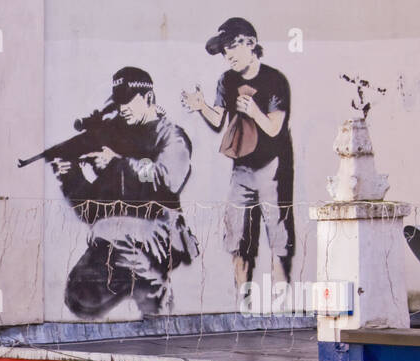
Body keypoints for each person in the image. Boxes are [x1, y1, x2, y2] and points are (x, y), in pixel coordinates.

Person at [50, 66, 199, 318]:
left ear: (149, 98)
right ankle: (140, 282)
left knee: (107, 229)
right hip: (118, 233)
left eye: (128, 101)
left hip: (162, 228)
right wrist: (70, 175)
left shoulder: (171, 135)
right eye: (119, 102)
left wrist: (119, 163)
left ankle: (154, 289)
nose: (122, 108)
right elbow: (93, 210)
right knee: (77, 292)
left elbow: (169, 179)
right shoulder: (117, 138)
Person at [181, 17, 295, 306]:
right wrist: (201, 106)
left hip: (273, 167)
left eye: (232, 46)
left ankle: (282, 301)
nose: (227, 54)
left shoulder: (275, 80)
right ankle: (242, 303)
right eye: (224, 50)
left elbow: (274, 128)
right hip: (241, 167)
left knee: (277, 233)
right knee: (236, 235)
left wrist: (255, 111)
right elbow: (219, 120)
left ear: (251, 44)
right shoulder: (227, 80)